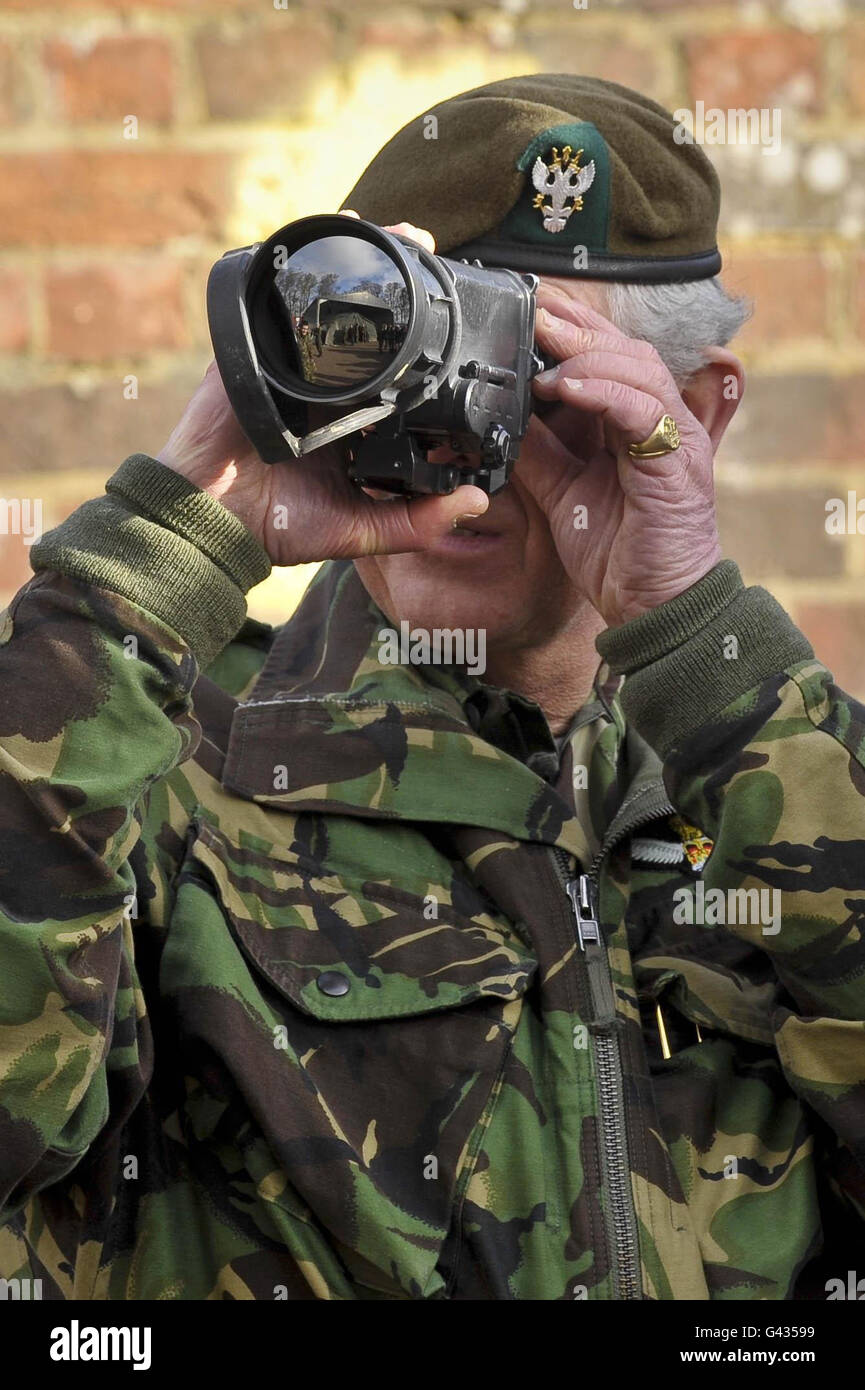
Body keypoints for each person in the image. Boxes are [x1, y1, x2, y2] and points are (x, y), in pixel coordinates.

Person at [1, 73, 863, 1302]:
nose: (465, 444)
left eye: (536, 383)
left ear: (696, 416)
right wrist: (144, 570)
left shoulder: (777, 783)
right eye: (412, 366)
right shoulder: (160, 768)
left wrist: (705, 647)